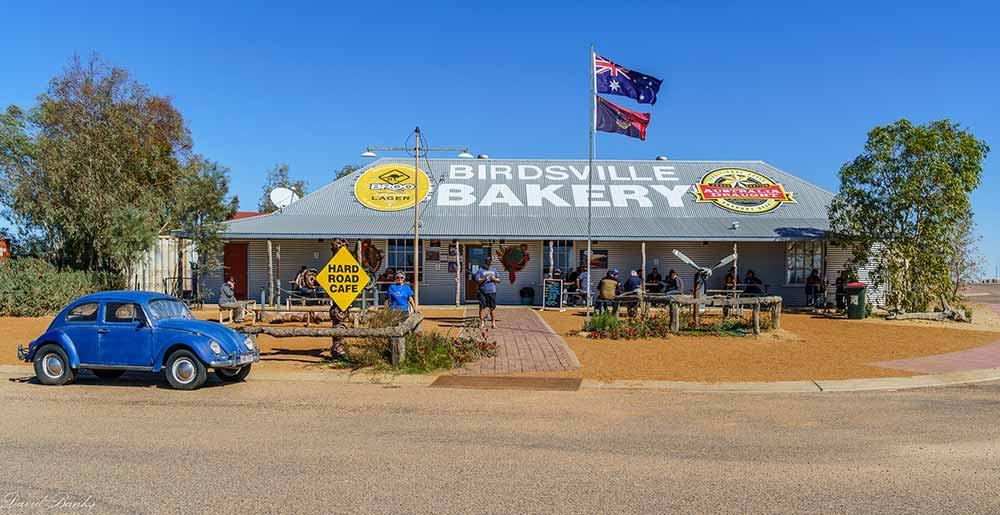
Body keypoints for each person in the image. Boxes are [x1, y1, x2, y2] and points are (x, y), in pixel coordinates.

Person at [475, 257, 500, 328]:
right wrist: (484, 278)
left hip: (492, 291)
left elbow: (498, 280)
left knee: (492, 308)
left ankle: (493, 323)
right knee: (482, 307)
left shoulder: (494, 270)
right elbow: (477, 280)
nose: (489, 265)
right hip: (482, 292)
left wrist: (493, 278)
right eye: (487, 263)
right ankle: (482, 323)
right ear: (485, 263)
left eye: (490, 263)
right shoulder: (480, 270)